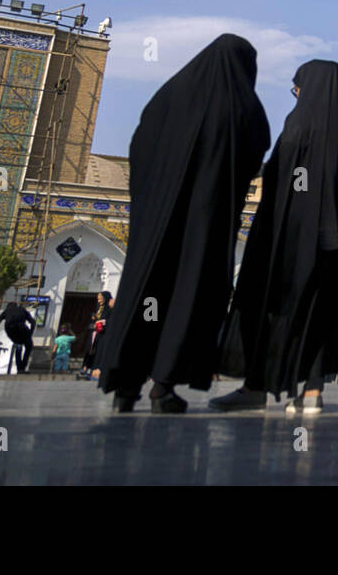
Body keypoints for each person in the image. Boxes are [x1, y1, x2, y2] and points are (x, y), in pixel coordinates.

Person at [211, 60, 338, 415]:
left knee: (272, 310)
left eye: (297, 87)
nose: (296, 93)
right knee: (322, 312)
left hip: (288, 244)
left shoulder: (299, 125)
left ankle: (255, 388)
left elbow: (282, 184)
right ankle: (312, 393)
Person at [95, 35, 270, 413]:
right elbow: (255, 157)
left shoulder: (166, 99)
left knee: (146, 295)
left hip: (154, 225)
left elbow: (139, 149)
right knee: (188, 298)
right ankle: (163, 386)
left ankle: (124, 386)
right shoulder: (242, 106)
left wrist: (155, 201)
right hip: (206, 229)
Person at [0, 302, 36, 374]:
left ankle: (20, 368)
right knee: (29, 346)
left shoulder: (6, 311)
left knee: (18, 345)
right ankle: (22, 367)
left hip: (10, 330)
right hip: (22, 330)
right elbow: (33, 322)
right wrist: (30, 333)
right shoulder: (22, 309)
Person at [79, 291, 112, 380]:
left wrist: (103, 322)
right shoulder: (99, 308)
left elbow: (111, 321)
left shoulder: (109, 309)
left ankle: (97, 371)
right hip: (95, 333)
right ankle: (88, 368)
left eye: (100, 298)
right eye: (98, 298)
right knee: (90, 350)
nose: (99, 300)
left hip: (103, 334)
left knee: (99, 351)